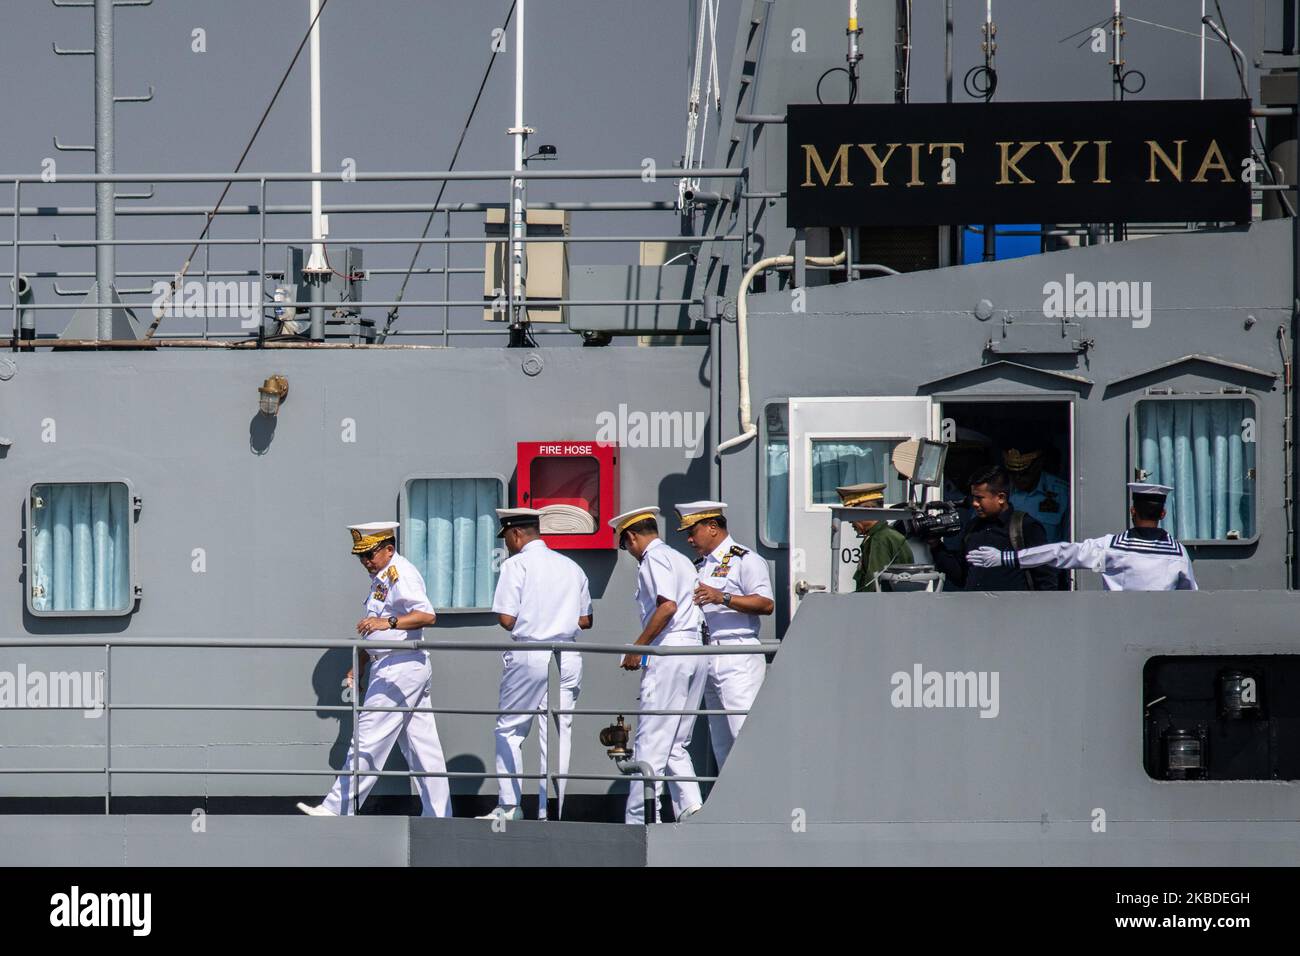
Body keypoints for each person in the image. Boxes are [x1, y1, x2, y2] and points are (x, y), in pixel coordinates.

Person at [298, 522, 452, 817]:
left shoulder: (401, 574)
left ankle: (336, 809)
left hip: (399, 668)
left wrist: (388, 623)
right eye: (361, 557)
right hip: (396, 665)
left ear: (389, 549)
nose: (366, 562)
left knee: (368, 737)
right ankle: (440, 815)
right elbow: (375, 628)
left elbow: (426, 615)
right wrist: (360, 663)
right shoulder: (382, 577)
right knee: (423, 747)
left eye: (370, 555)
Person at [477, 509, 592, 822]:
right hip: (568, 654)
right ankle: (553, 810)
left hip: (531, 653)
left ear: (515, 535)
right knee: (556, 733)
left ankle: (510, 806)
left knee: (510, 730)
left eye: (509, 540)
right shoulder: (572, 567)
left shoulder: (516, 565)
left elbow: (506, 618)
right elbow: (586, 620)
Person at [609, 506, 706, 824]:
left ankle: (640, 819)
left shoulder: (652, 559)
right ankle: (692, 811)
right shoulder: (679, 558)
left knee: (650, 739)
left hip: (670, 654)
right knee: (676, 742)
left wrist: (639, 647)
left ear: (632, 537)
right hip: (695, 651)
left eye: (625, 545)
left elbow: (667, 606)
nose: (628, 551)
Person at [674, 500, 773, 770]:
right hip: (707, 653)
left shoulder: (746, 560)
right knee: (721, 741)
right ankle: (734, 807)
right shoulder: (700, 565)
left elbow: (766, 604)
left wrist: (723, 597)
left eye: (693, 531)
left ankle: (758, 804)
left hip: (737, 653)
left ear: (713, 526)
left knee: (745, 734)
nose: (690, 539)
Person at [966, 482, 1198, 591]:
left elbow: (1060, 553)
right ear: (1163, 513)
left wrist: (1006, 558)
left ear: (1132, 511)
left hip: (1119, 628)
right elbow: (1189, 597)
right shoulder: (1177, 553)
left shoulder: (1111, 548)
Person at [929, 466, 1056, 591]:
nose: (974, 503)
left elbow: (1045, 579)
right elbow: (961, 576)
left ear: (1001, 498)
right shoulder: (973, 527)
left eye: (980, 498)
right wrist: (936, 546)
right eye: (973, 497)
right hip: (975, 608)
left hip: (1015, 609)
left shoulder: (1025, 527)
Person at [833, 483, 914, 592]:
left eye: (852, 513)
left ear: (868, 509)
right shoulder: (884, 535)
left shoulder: (880, 539)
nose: (850, 521)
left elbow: (873, 587)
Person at [1004, 447, 1070, 544]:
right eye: (1012, 473)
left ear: (1038, 464)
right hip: (1008, 557)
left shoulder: (1062, 493)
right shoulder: (1000, 490)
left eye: (1024, 473)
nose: (1017, 478)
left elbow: (1069, 542)